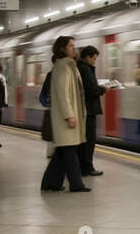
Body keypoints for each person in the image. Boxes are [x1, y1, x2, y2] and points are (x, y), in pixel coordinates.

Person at [40, 35, 89, 193]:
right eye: (70, 46)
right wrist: (70, 116)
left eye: (74, 46)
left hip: (68, 115)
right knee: (69, 152)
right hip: (65, 117)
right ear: (62, 48)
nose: (73, 48)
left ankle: (50, 183)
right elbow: (62, 95)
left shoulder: (69, 65)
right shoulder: (62, 67)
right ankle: (76, 184)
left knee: (62, 152)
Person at [77, 45, 104, 176]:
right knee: (89, 140)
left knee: (85, 140)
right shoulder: (85, 69)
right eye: (93, 59)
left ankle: (84, 166)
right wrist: (103, 89)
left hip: (86, 110)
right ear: (87, 57)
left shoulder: (81, 67)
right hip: (89, 110)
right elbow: (91, 90)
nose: (94, 62)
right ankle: (87, 167)